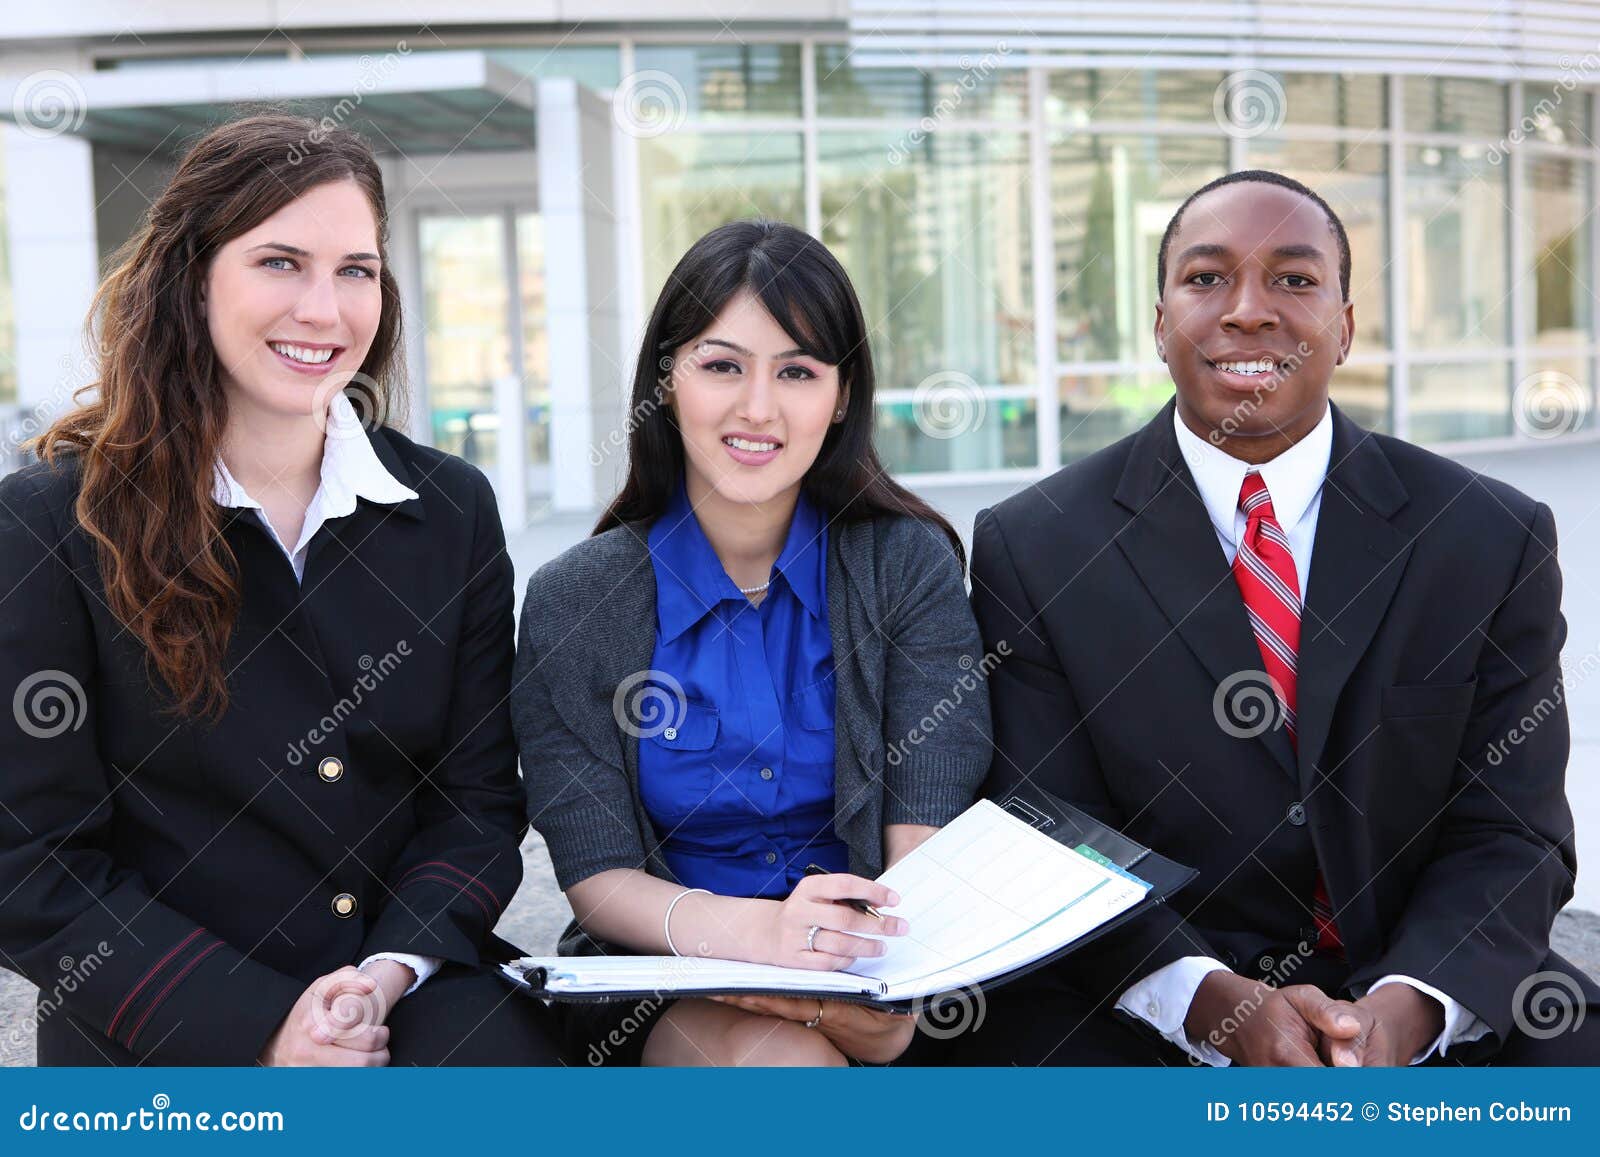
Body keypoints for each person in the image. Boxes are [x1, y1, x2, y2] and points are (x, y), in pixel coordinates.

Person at [958, 170, 1599, 1066]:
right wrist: (1212, 1005)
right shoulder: (1036, 545)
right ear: (1160, 322)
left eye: (1294, 279)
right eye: (1207, 277)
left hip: (1423, 983)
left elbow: (1515, 827)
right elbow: (1052, 830)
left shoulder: (1489, 535)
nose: (1249, 310)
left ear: (1344, 324)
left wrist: (1409, 1009)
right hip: (1152, 1000)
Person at [0, 114, 562, 1066]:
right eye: (279, 262)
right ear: (192, 276)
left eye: (356, 270)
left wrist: (385, 975)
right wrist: (262, 1027)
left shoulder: (450, 509)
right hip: (164, 1021)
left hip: (403, 998)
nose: (324, 309)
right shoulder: (49, 523)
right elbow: (32, 861)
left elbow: (474, 803)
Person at [513, 219, 991, 1066]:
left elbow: (927, 834)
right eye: (722, 364)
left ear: (841, 398)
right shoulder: (576, 601)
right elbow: (598, 874)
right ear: (668, 378)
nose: (758, 408)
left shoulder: (906, 567)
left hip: (883, 973)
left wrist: (861, 978)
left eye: (798, 371)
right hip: (670, 975)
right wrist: (761, 939)